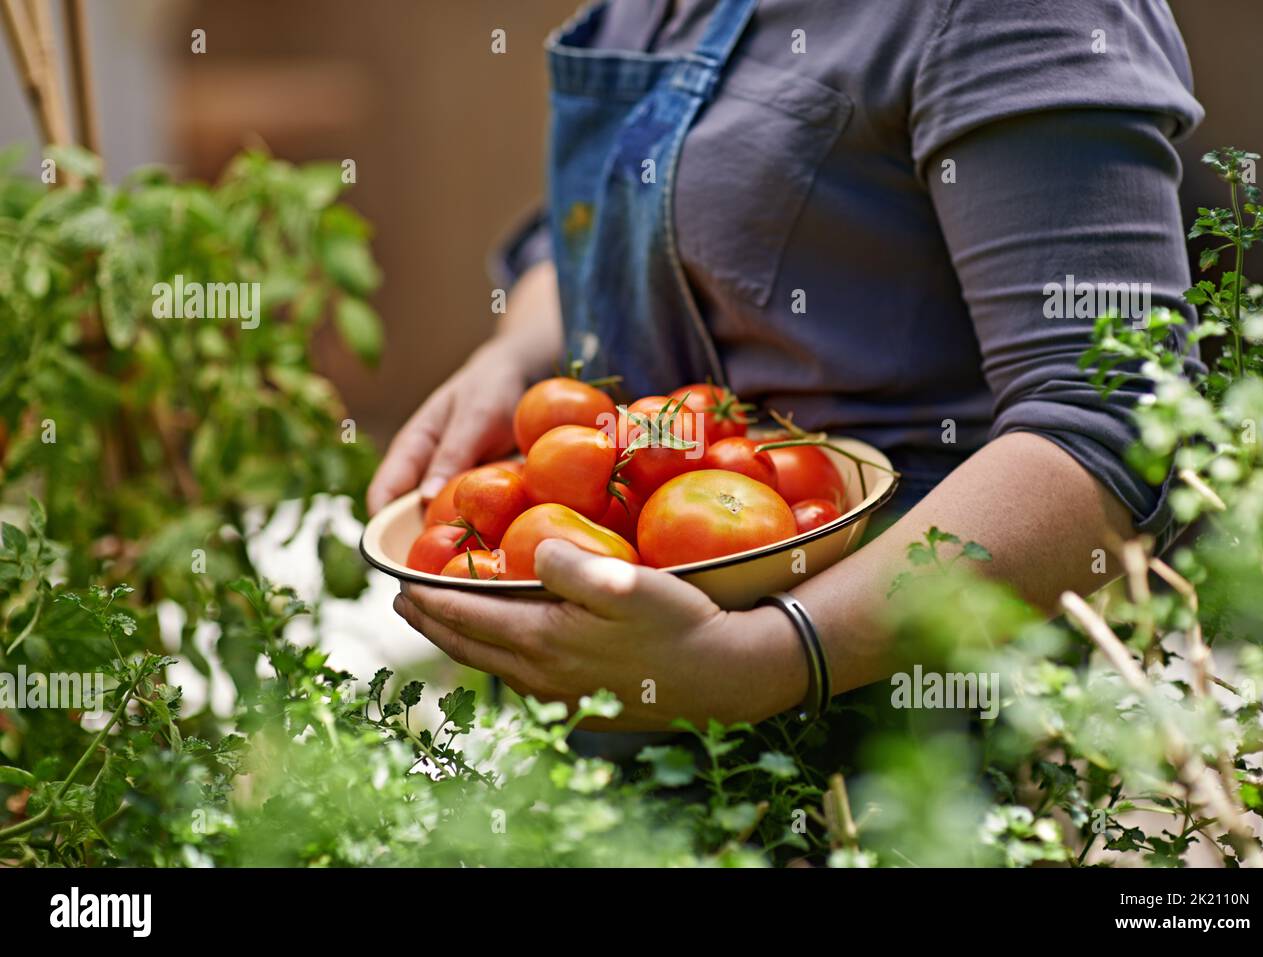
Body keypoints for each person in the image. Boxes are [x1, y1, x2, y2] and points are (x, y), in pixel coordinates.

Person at [368, 0, 1204, 734]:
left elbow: (1112, 422)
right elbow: (615, 214)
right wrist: (516, 357)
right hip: (623, 721)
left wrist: (772, 654)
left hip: (916, 729)